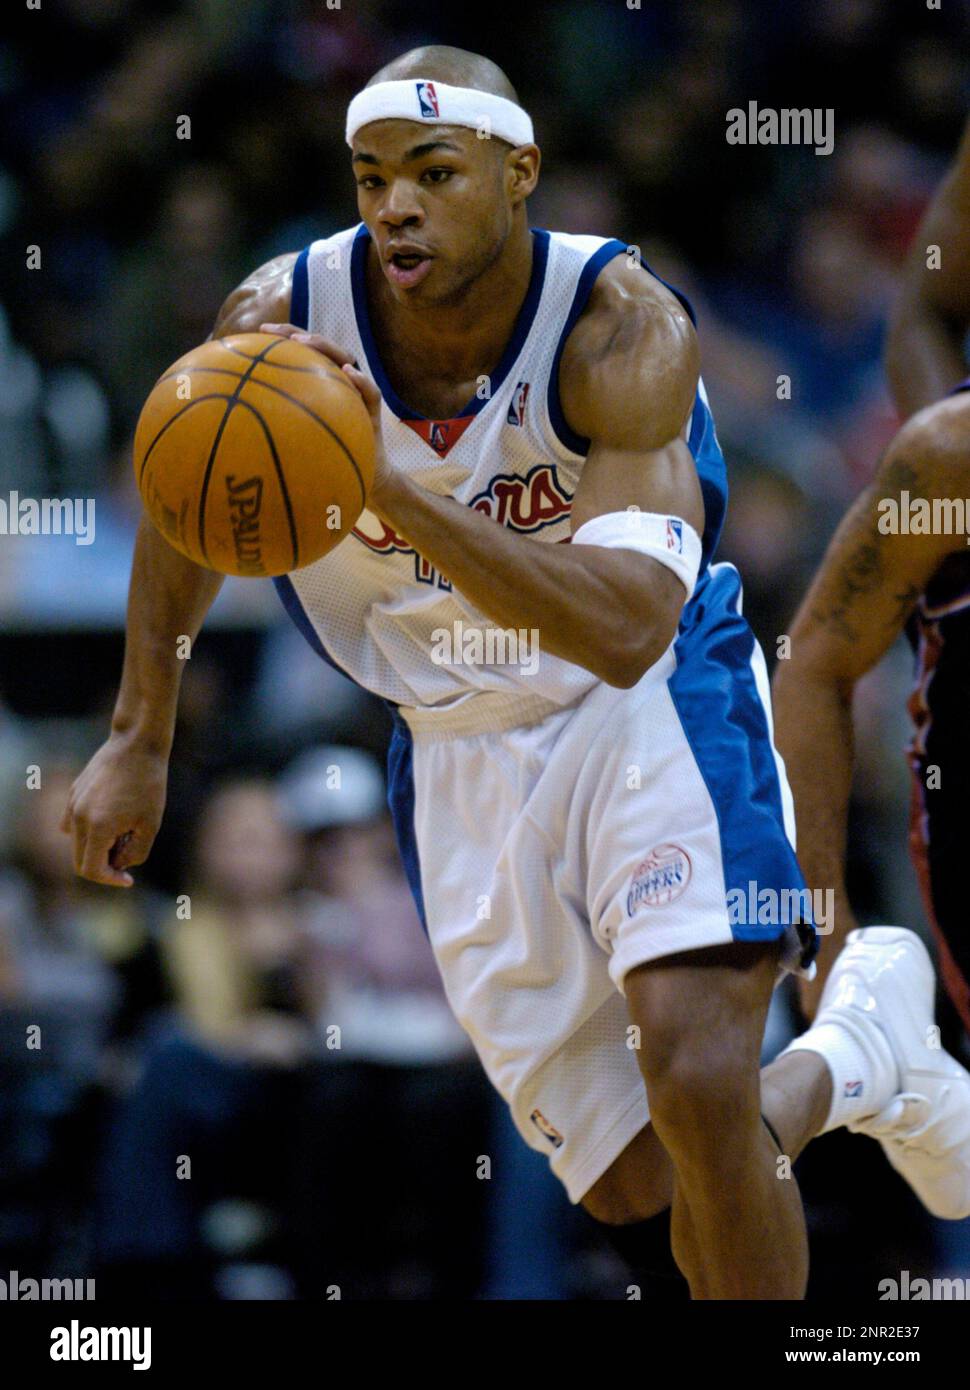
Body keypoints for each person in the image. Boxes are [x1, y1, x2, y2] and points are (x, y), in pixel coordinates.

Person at [63, 44, 970, 1299]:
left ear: (519, 172)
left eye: (435, 172)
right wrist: (138, 737)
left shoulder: (620, 331)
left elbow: (622, 629)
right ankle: (859, 1053)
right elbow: (182, 507)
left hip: (649, 699)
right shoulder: (277, 323)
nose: (396, 205)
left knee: (702, 1084)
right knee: (639, 1187)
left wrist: (384, 485)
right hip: (451, 745)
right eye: (373, 175)